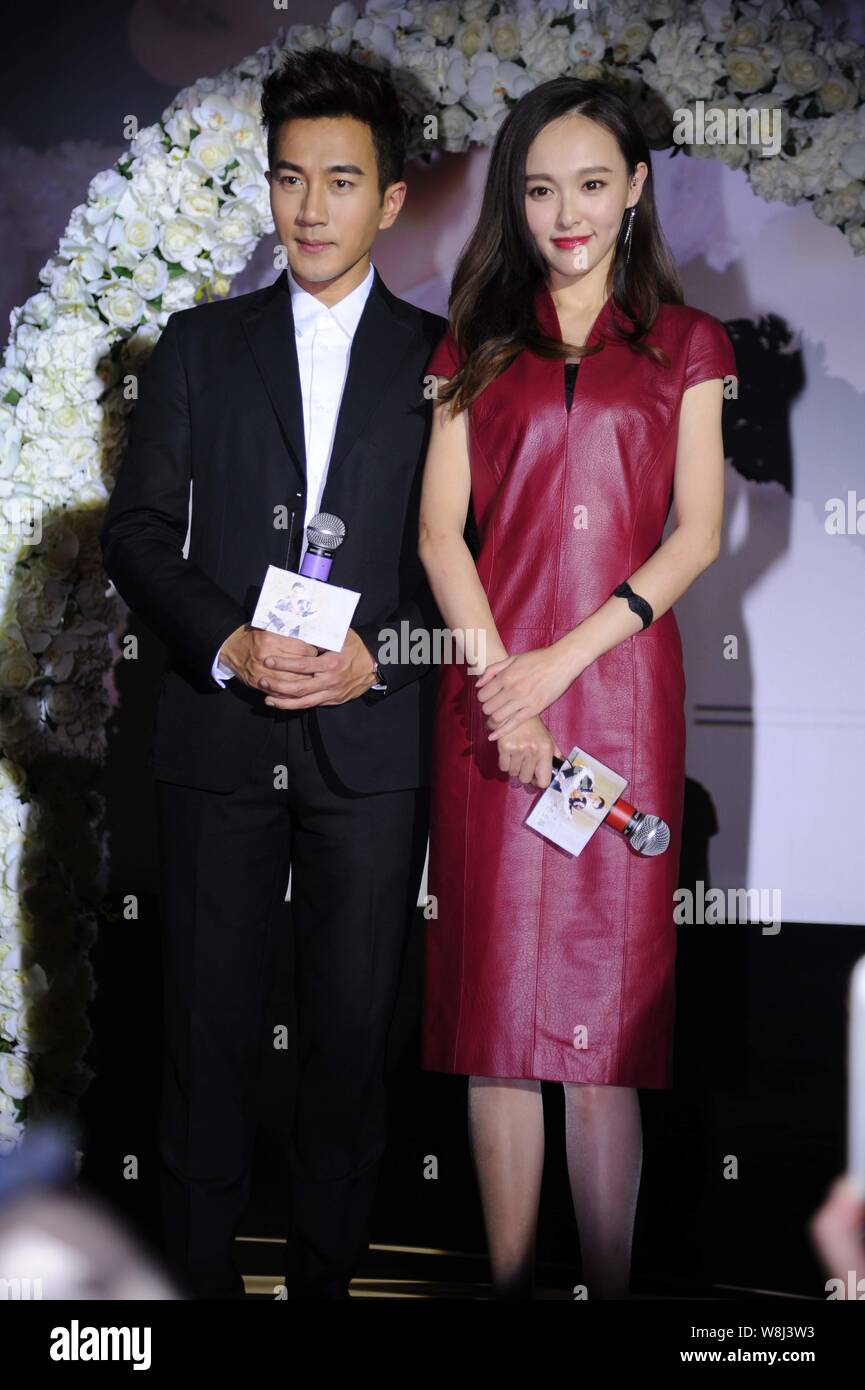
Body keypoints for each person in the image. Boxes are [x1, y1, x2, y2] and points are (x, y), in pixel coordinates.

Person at [100, 47, 445, 1299]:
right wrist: (226, 640)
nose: (310, 208)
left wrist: (377, 658)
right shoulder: (198, 345)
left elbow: (473, 565)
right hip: (216, 731)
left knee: (352, 1051)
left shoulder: (451, 359)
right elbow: (136, 532)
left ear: (390, 199)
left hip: (370, 747)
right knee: (205, 1041)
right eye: (291, 178)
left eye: (341, 181)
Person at [418, 76, 736, 1299]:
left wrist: (559, 661)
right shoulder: (471, 339)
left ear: (635, 190)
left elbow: (695, 533)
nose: (567, 212)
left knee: (603, 1036)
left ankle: (609, 1291)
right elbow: (445, 534)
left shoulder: (688, 342)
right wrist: (505, 685)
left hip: (617, 703)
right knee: (495, 1026)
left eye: (592, 184)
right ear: (516, 197)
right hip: (491, 703)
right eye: (541, 187)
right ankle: (506, 1290)